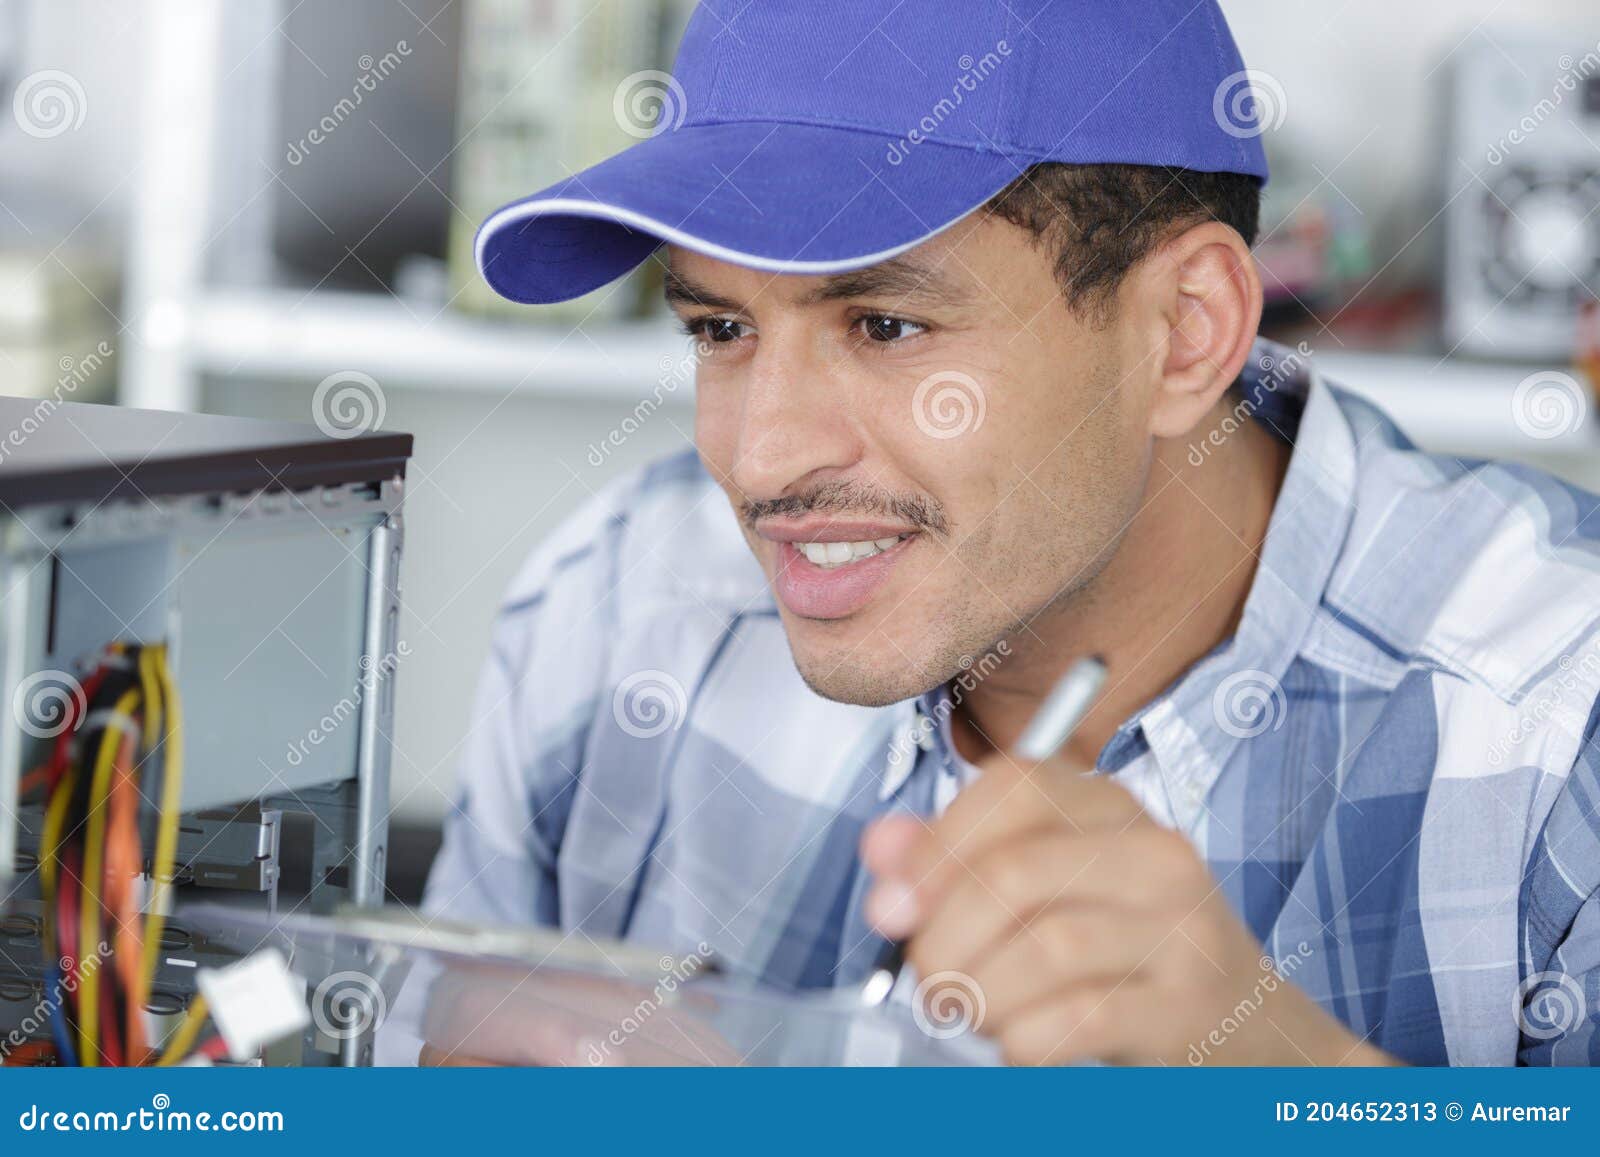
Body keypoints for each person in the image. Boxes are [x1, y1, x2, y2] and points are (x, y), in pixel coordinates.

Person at [403, 0, 1600, 1066]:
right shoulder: (613, 607)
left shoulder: (1559, 718)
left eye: (883, 325)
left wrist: (1281, 1071)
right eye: (720, 330)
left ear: (1185, 331)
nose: (762, 459)